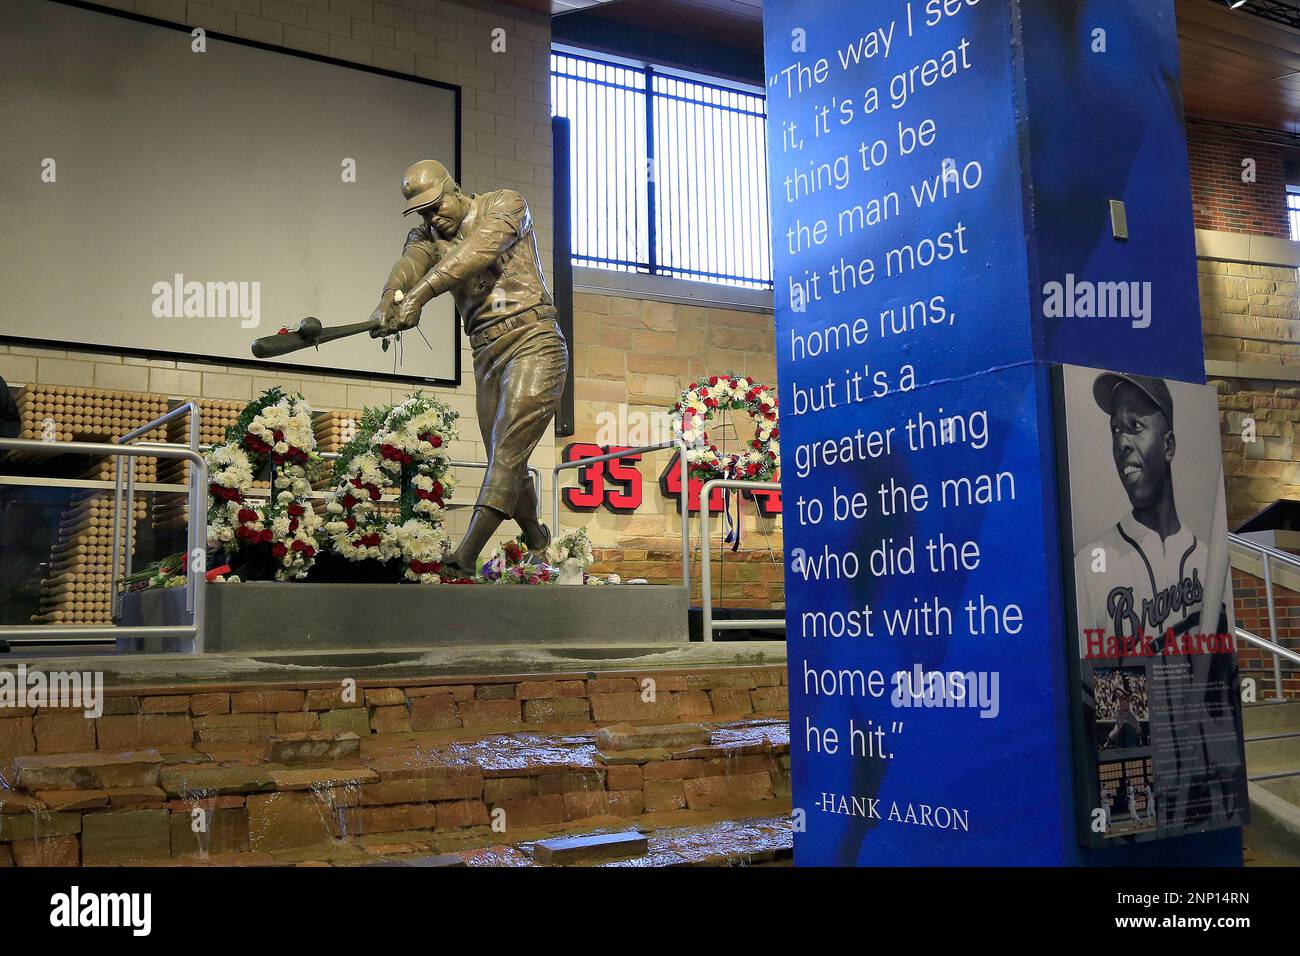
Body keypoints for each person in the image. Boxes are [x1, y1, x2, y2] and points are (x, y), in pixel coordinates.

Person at [370, 160, 567, 577]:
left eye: (437, 205)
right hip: (486, 354)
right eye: (423, 211)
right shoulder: (427, 233)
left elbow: (476, 251)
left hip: (533, 340)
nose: (432, 217)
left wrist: (419, 296)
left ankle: (463, 557)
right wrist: (390, 298)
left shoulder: (506, 204)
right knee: (503, 452)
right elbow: (411, 262)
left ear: (454, 189)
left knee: (507, 451)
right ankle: (536, 537)